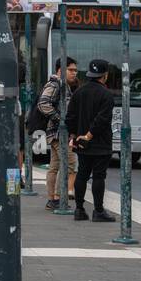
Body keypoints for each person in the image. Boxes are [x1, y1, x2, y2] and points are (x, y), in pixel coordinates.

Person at [65, 58, 116, 222]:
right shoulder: (107, 95)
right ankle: (98, 211)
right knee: (99, 176)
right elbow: (103, 119)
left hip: (80, 141)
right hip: (100, 142)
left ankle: (79, 210)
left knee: (82, 174)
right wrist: (89, 136)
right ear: (105, 75)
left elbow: (70, 117)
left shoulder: (79, 92)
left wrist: (74, 136)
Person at [35, 55, 78, 210]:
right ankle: (59, 198)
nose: (75, 73)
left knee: (55, 166)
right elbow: (43, 103)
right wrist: (60, 120)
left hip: (54, 132)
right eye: (71, 70)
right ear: (61, 70)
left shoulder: (61, 84)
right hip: (59, 132)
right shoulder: (56, 84)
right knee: (70, 163)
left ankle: (52, 199)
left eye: (75, 70)